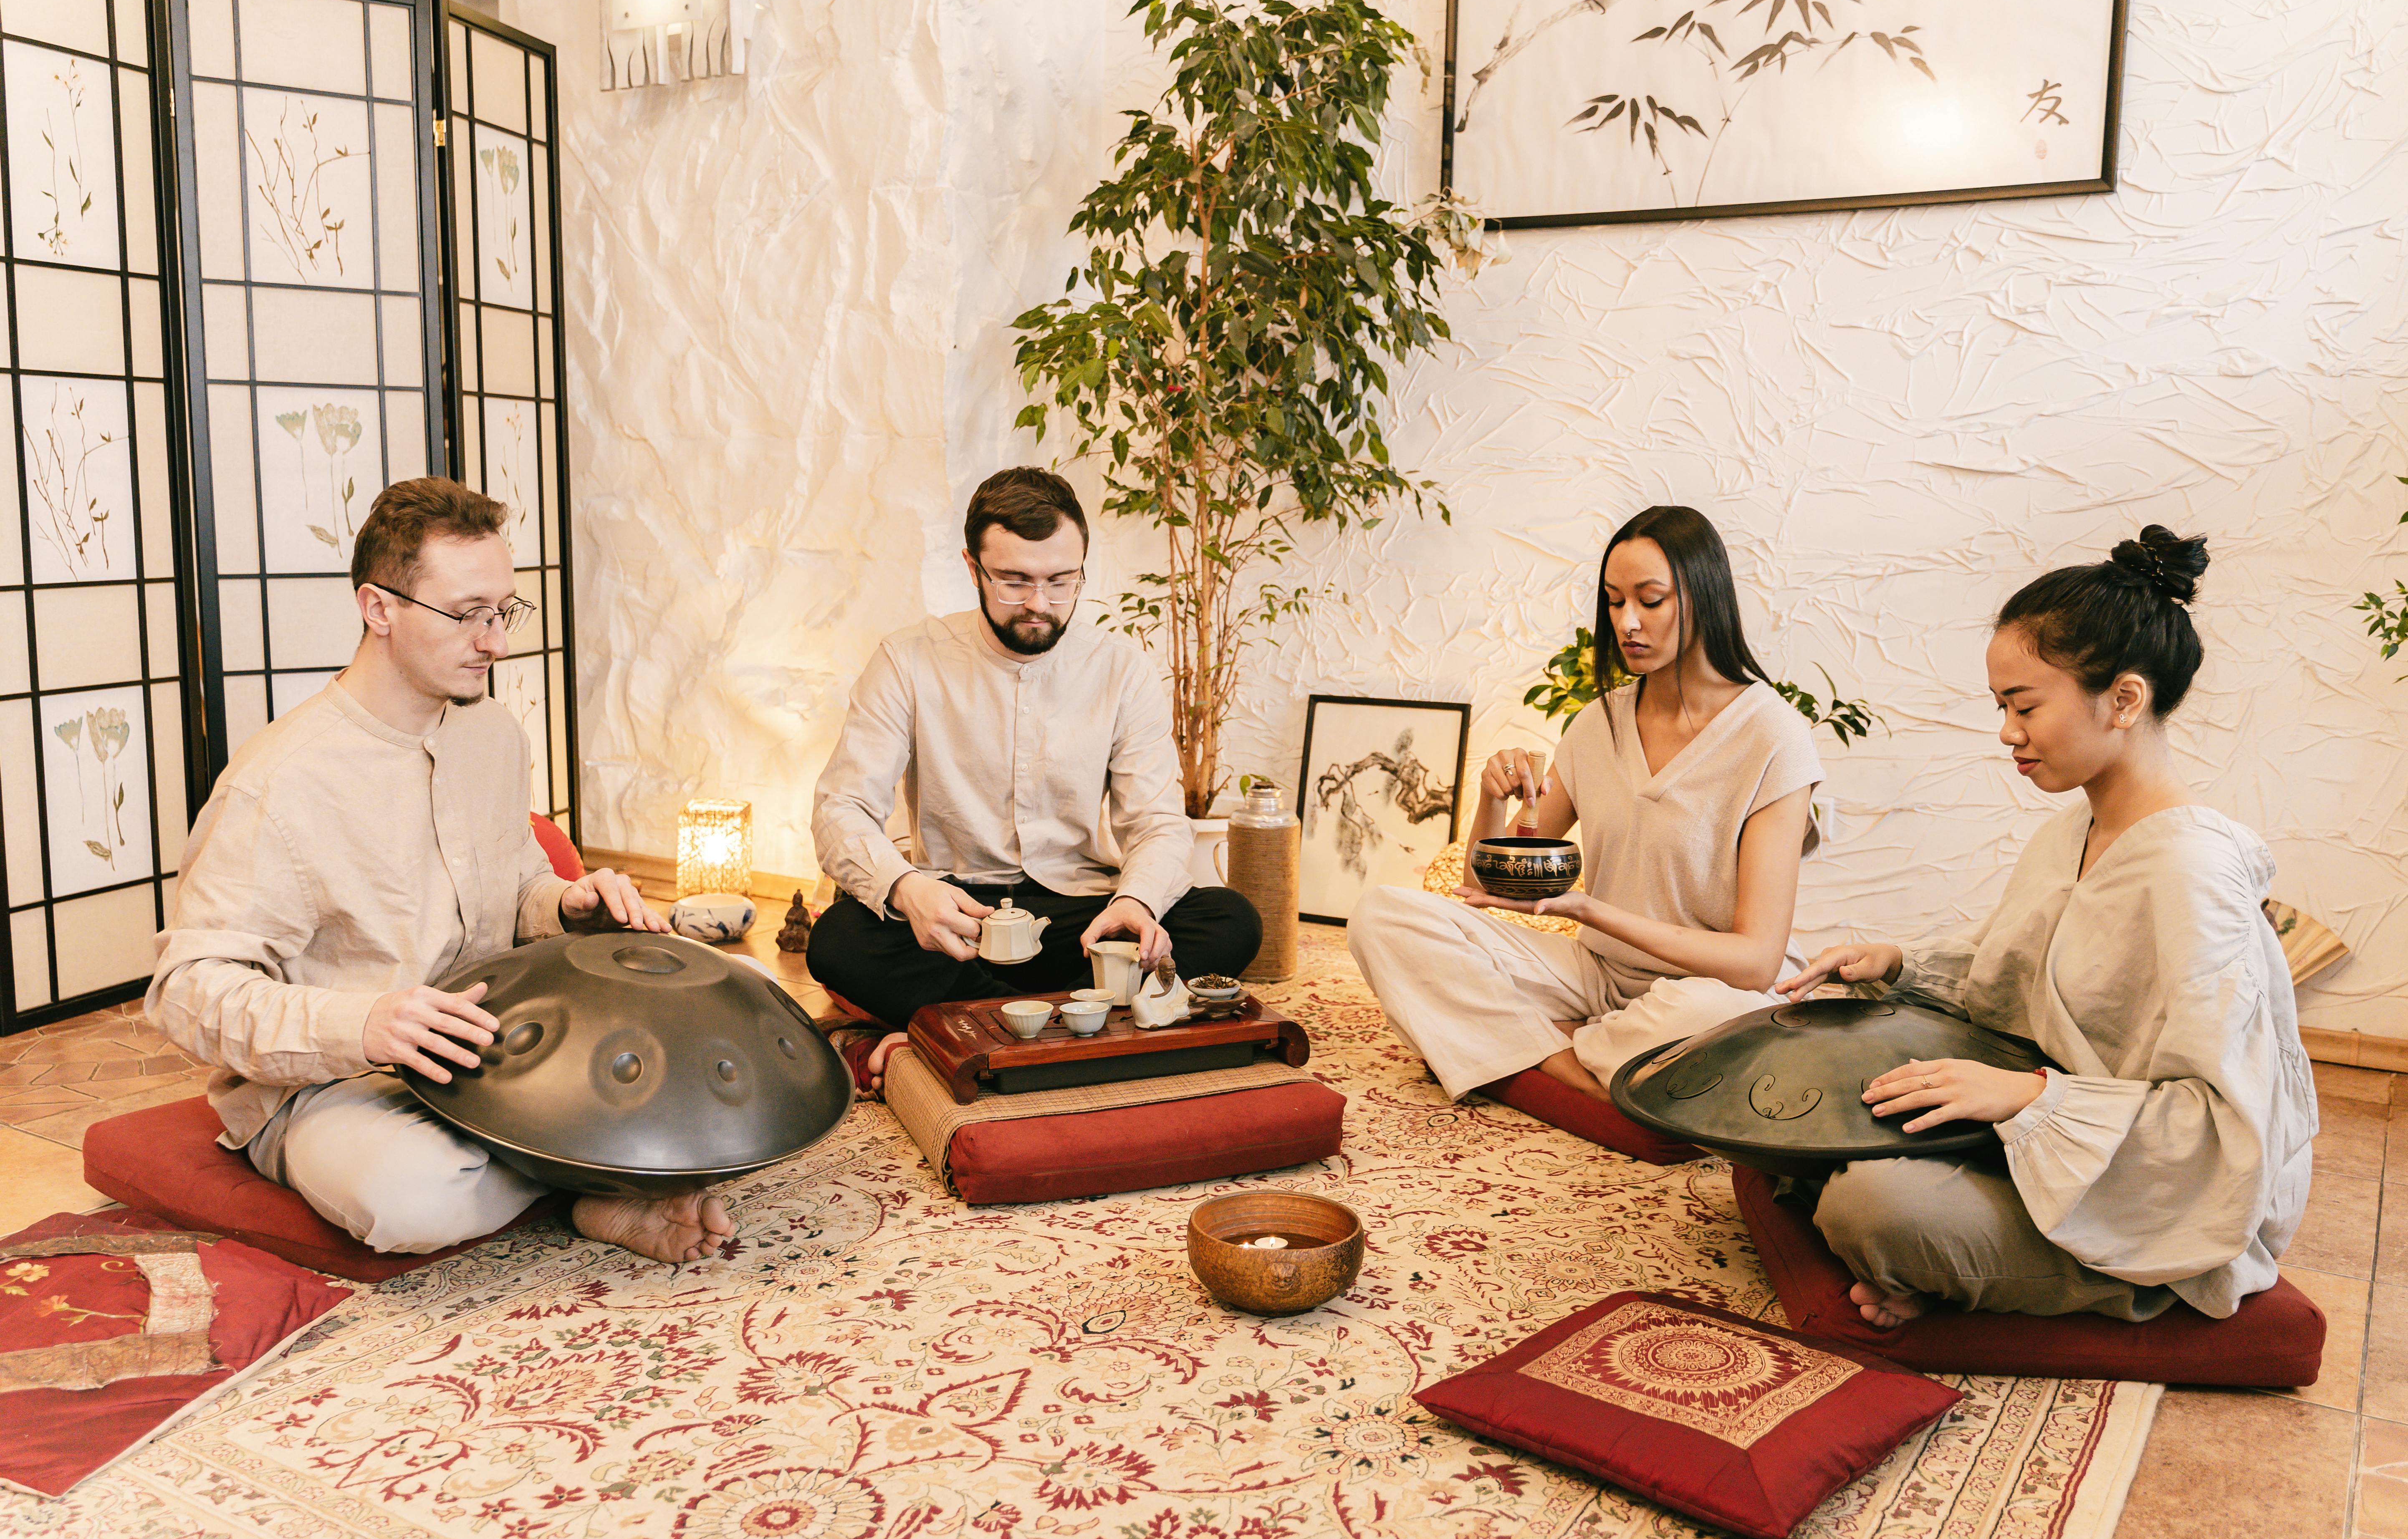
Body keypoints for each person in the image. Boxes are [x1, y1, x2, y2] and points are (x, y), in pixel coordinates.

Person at [149, 479, 734, 1264]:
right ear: (378, 608)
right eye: (466, 615)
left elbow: (516, 887)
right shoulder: (278, 783)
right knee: (412, 1196)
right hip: (341, 1084)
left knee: (707, 1055)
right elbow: (188, 990)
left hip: (496, 1047)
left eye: (503, 612)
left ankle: (591, 1170)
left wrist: (570, 905)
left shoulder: (492, 734)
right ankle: (602, 1178)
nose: (494, 640)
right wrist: (365, 1024)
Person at [1778, 526, 2315, 1328]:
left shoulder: (2194, 874)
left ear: (2123, 699)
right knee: (1800, 1084)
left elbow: (2219, 1133)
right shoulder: (2070, 833)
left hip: (2159, 1206)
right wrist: (1896, 963)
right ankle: (1936, 1262)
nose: (2006, 732)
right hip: (2049, 1141)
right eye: (2001, 705)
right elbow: (2021, 979)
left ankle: (2067, 1280)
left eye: (2024, 705)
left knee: (1872, 1207)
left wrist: (2027, 1096)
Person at [1349, 506, 1822, 1110]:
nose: (1627, 621)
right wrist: (1493, 803)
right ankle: (1579, 1065)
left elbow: (1756, 963)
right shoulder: (1595, 724)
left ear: (1704, 596)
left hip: (1709, 994)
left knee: (1724, 1016)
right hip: (1592, 977)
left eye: (1650, 600)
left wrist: (1592, 910)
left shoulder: (1773, 736)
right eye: (1614, 599)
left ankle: (1520, 1052)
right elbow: (1483, 885)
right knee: (1383, 917)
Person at [808, 467, 1263, 1092]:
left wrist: (1134, 903)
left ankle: (971, 1023)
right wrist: (909, 889)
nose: (1039, 603)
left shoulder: (1121, 670)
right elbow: (841, 809)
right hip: (957, 914)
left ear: (1081, 569)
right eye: (1015, 580)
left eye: (1060, 580)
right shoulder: (906, 660)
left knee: (1231, 918)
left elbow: (1156, 823)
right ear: (973, 568)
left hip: (1078, 916)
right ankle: (1080, 1023)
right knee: (838, 938)